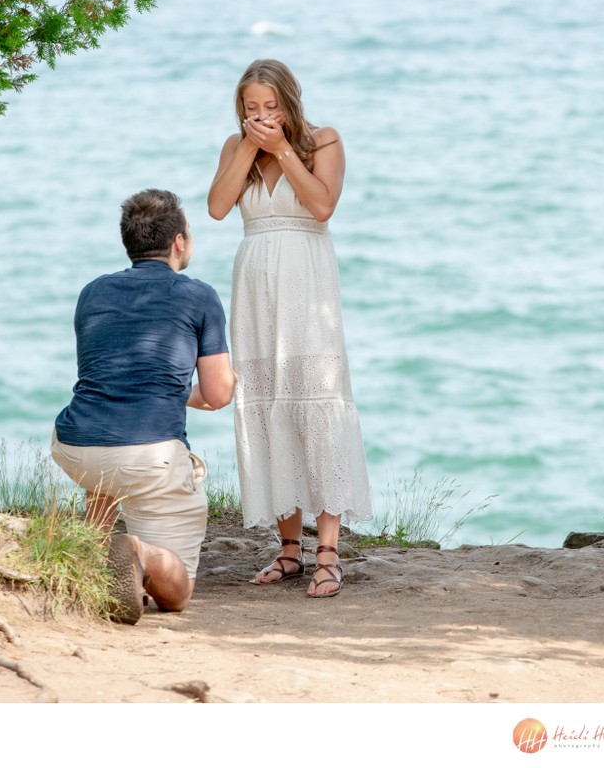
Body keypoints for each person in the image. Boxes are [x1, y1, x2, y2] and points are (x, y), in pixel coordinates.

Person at [208, 59, 372, 598]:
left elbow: (322, 206)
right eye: (251, 109)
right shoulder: (237, 149)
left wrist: (281, 149)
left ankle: (327, 550)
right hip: (256, 287)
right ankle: (288, 549)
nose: (261, 116)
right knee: (267, 403)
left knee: (316, 406)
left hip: (307, 283)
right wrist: (253, 149)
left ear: (289, 103)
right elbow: (216, 208)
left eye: (271, 107)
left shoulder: (322, 141)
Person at [51, 189, 236, 622]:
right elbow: (218, 394)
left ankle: (92, 551)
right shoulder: (198, 296)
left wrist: (171, 391)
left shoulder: (92, 292)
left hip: (75, 445)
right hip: (148, 458)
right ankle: (134, 551)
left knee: (107, 462)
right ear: (179, 241)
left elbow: (113, 380)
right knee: (177, 592)